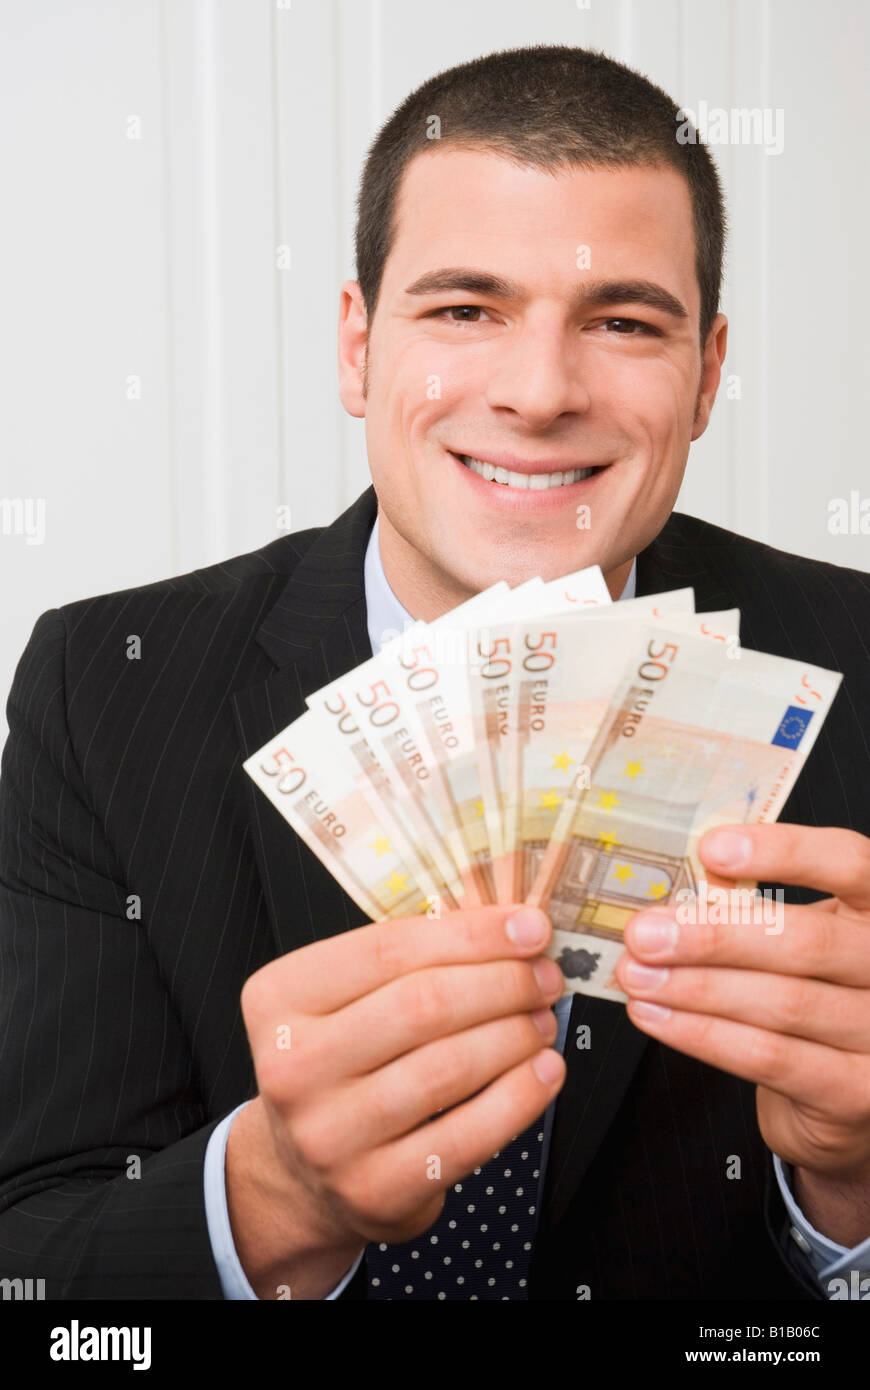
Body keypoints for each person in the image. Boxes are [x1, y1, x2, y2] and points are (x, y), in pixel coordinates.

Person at [1, 44, 869, 1302]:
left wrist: (852, 1191)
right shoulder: (104, 691)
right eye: (466, 309)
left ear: (708, 376)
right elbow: (32, 1267)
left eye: (624, 322)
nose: (537, 392)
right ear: (357, 347)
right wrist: (274, 1200)